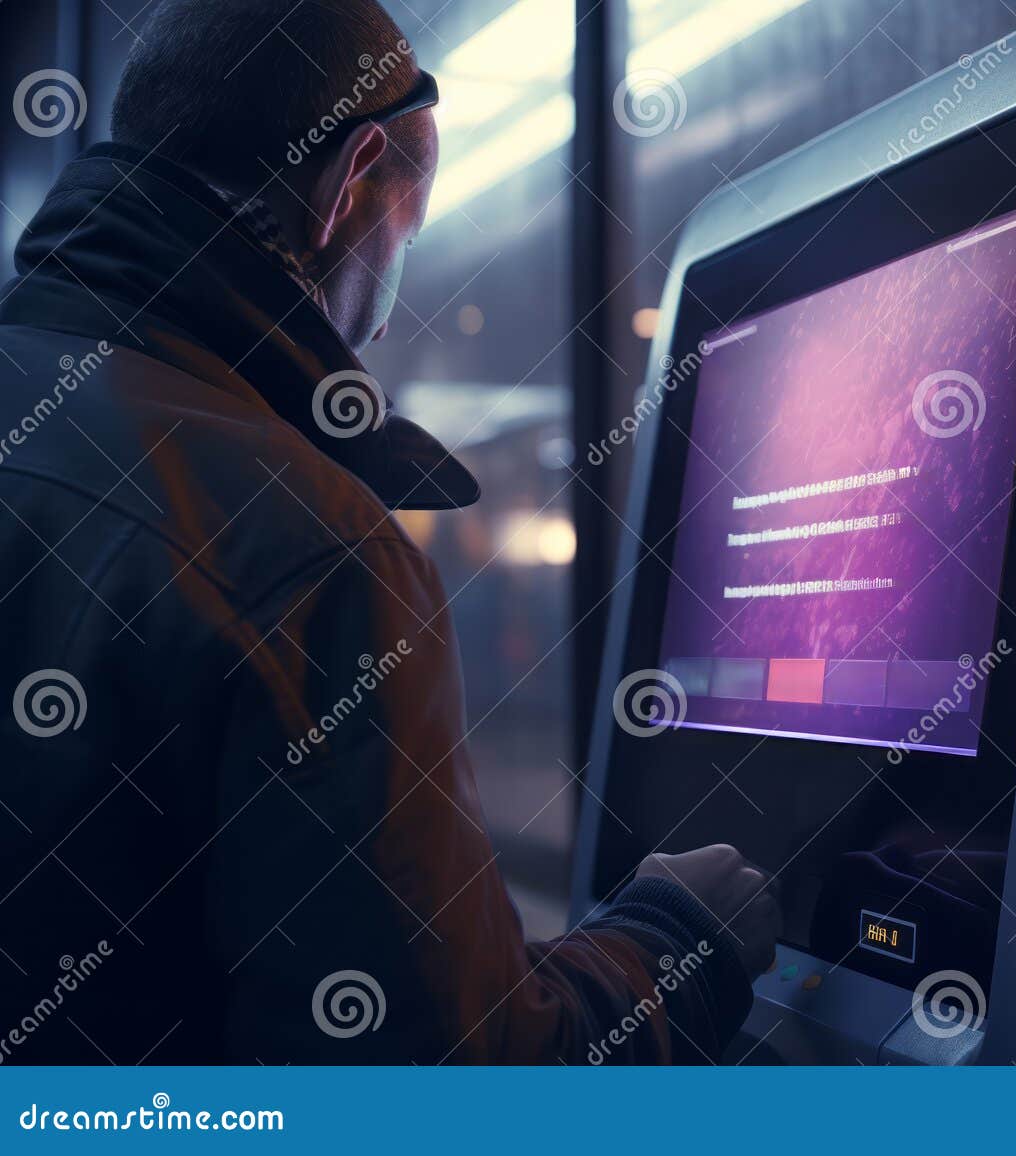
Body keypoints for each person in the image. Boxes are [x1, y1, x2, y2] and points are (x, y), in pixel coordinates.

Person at [0, 0, 777, 1064]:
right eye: (409, 223)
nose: (384, 310)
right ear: (353, 179)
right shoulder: (300, 548)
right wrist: (675, 940)